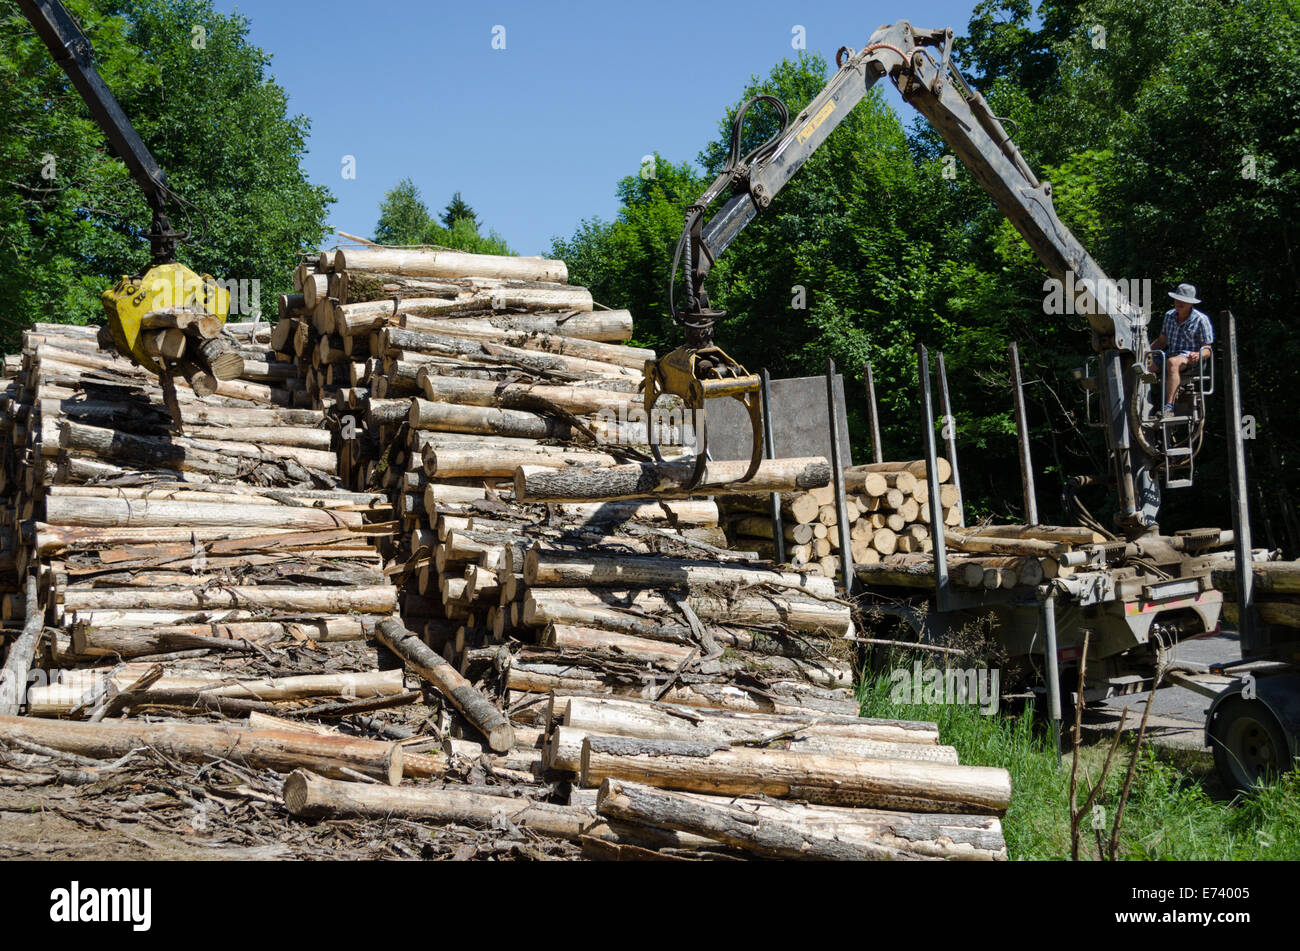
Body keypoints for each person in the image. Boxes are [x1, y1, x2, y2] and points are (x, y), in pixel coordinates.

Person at [1148, 283, 1214, 416]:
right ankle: (1141, 406)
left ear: (1191, 303)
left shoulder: (1201, 320)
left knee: (1172, 362)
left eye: (1183, 301)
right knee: (1146, 366)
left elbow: (1207, 349)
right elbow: (1162, 341)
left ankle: (1168, 407)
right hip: (1170, 355)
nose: (1179, 303)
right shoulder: (1169, 316)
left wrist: (1199, 354)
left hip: (1192, 360)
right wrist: (1145, 352)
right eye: (1177, 299)